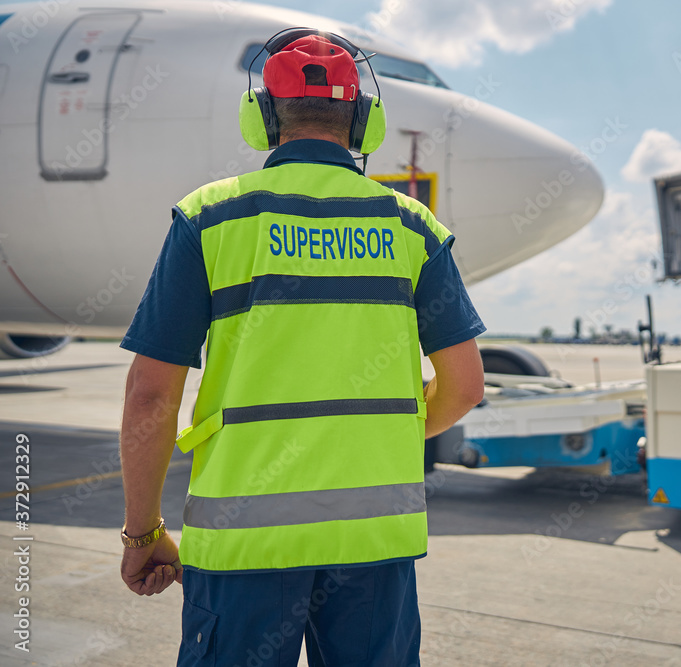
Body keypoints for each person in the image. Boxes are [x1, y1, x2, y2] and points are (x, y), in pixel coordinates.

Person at [117, 29, 485, 666]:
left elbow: (151, 395)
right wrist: (376, 436)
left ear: (261, 118)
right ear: (364, 124)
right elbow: (465, 387)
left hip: (241, 549)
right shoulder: (411, 227)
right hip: (374, 546)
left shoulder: (211, 218)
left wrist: (143, 532)